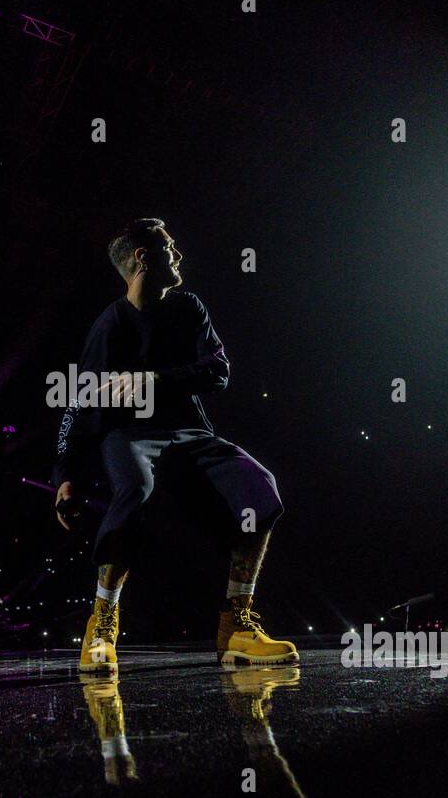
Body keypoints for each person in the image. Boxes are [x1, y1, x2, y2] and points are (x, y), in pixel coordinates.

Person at [53, 218, 297, 673]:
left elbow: (218, 371)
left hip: (189, 432)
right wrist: (66, 476)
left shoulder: (189, 309)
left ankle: (237, 628)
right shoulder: (110, 327)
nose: (179, 256)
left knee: (261, 487)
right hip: (128, 435)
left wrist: (154, 380)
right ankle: (102, 624)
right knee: (135, 491)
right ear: (144, 259)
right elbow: (78, 405)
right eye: (170, 248)